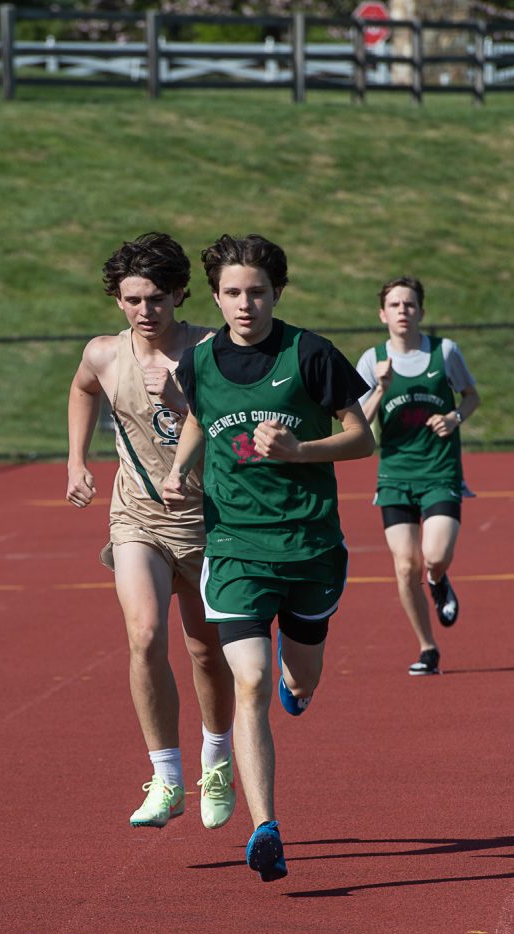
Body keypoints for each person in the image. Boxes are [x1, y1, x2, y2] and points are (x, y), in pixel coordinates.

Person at [162, 234, 375, 882]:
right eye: (232, 292)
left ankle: (297, 683)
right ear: (216, 297)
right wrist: (178, 469)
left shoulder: (309, 353)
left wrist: (299, 451)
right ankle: (265, 829)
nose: (244, 304)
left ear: (276, 293)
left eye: (256, 291)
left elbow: (361, 438)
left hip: (310, 547)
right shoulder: (199, 361)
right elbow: (198, 418)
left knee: (298, 681)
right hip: (235, 548)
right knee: (248, 682)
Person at [66, 232, 236, 831]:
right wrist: (76, 461)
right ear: (118, 299)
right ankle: (166, 777)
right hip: (136, 516)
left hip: (209, 521)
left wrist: (188, 399)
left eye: (156, 299)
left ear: (180, 295)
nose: (145, 311)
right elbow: (82, 388)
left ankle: (217, 763)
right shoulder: (104, 354)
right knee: (144, 635)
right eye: (133, 299)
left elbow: (239, 425)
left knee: (205, 649)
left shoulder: (213, 349)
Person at [356, 276, 480, 676]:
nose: (402, 311)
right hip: (395, 475)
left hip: (440, 471)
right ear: (382, 314)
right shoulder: (372, 360)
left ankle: (438, 579)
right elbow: (358, 424)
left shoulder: (445, 352)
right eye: (394, 305)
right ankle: (428, 647)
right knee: (405, 566)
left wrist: (454, 417)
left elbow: (471, 397)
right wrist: (380, 388)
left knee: (434, 556)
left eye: (409, 304)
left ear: (421, 311)